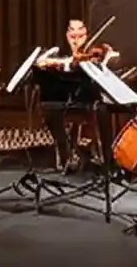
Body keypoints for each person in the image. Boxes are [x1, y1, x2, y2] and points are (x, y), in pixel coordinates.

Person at [34, 19, 115, 172]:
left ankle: (103, 159)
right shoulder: (59, 53)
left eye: (81, 33)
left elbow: (114, 60)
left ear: (87, 34)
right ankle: (67, 154)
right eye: (72, 33)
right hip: (63, 99)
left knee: (102, 110)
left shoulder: (94, 53)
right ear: (66, 34)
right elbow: (41, 62)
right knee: (49, 108)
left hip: (89, 99)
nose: (76, 38)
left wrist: (103, 58)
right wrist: (67, 62)